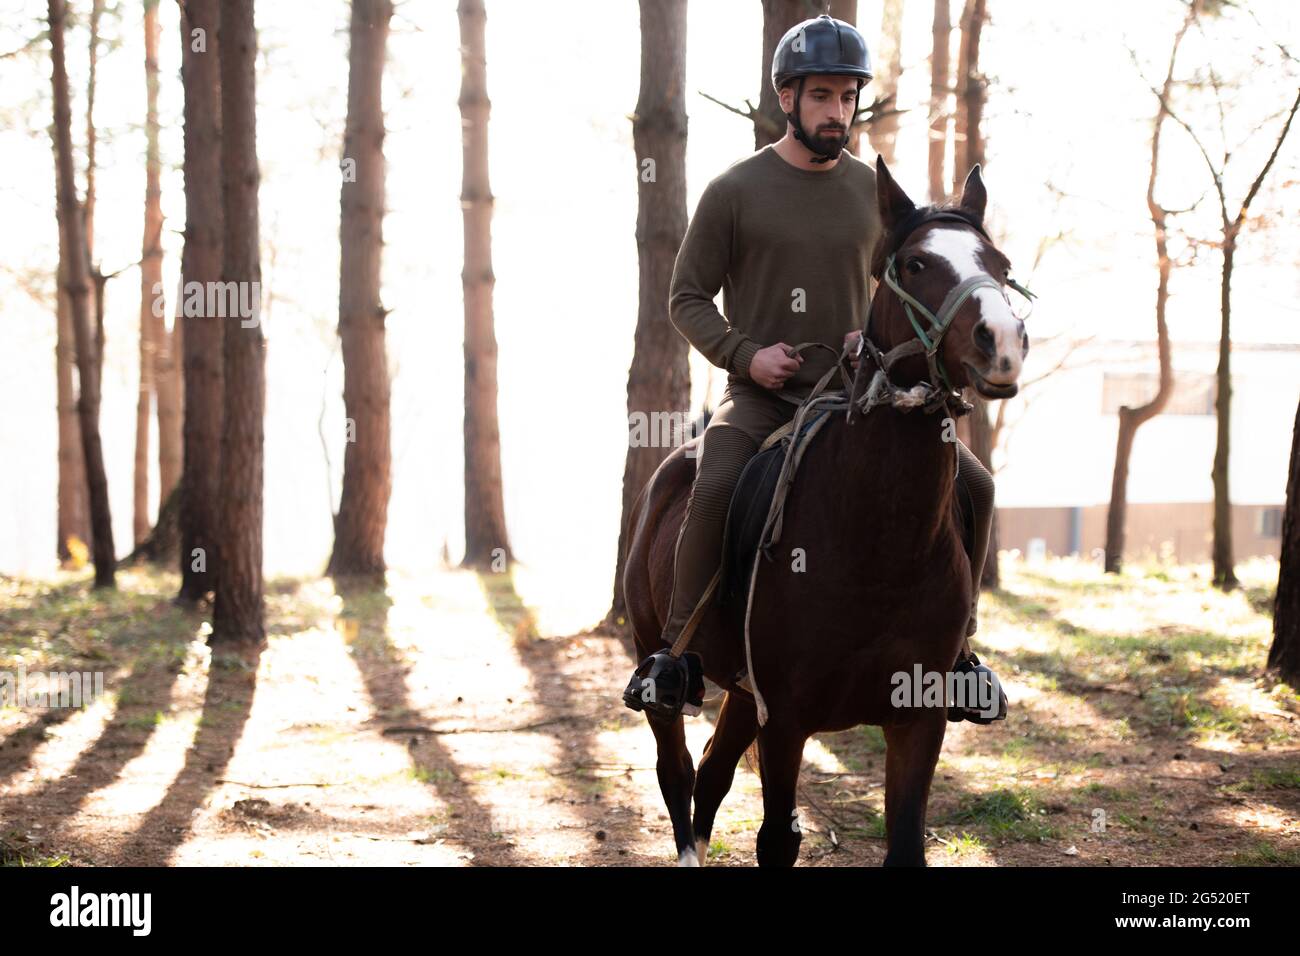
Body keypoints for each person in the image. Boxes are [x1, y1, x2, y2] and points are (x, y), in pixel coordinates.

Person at [623, 14, 1004, 724]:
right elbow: (685, 298)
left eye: (848, 97)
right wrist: (747, 354)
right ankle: (676, 657)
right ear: (788, 99)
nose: (838, 112)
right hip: (765, 400)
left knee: (975, 483)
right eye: (822, 96)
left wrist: (879, 336)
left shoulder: (877, 194)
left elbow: (902, 288)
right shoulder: (734, 190)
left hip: (864, 398)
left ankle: (958, 652)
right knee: (711, 484)